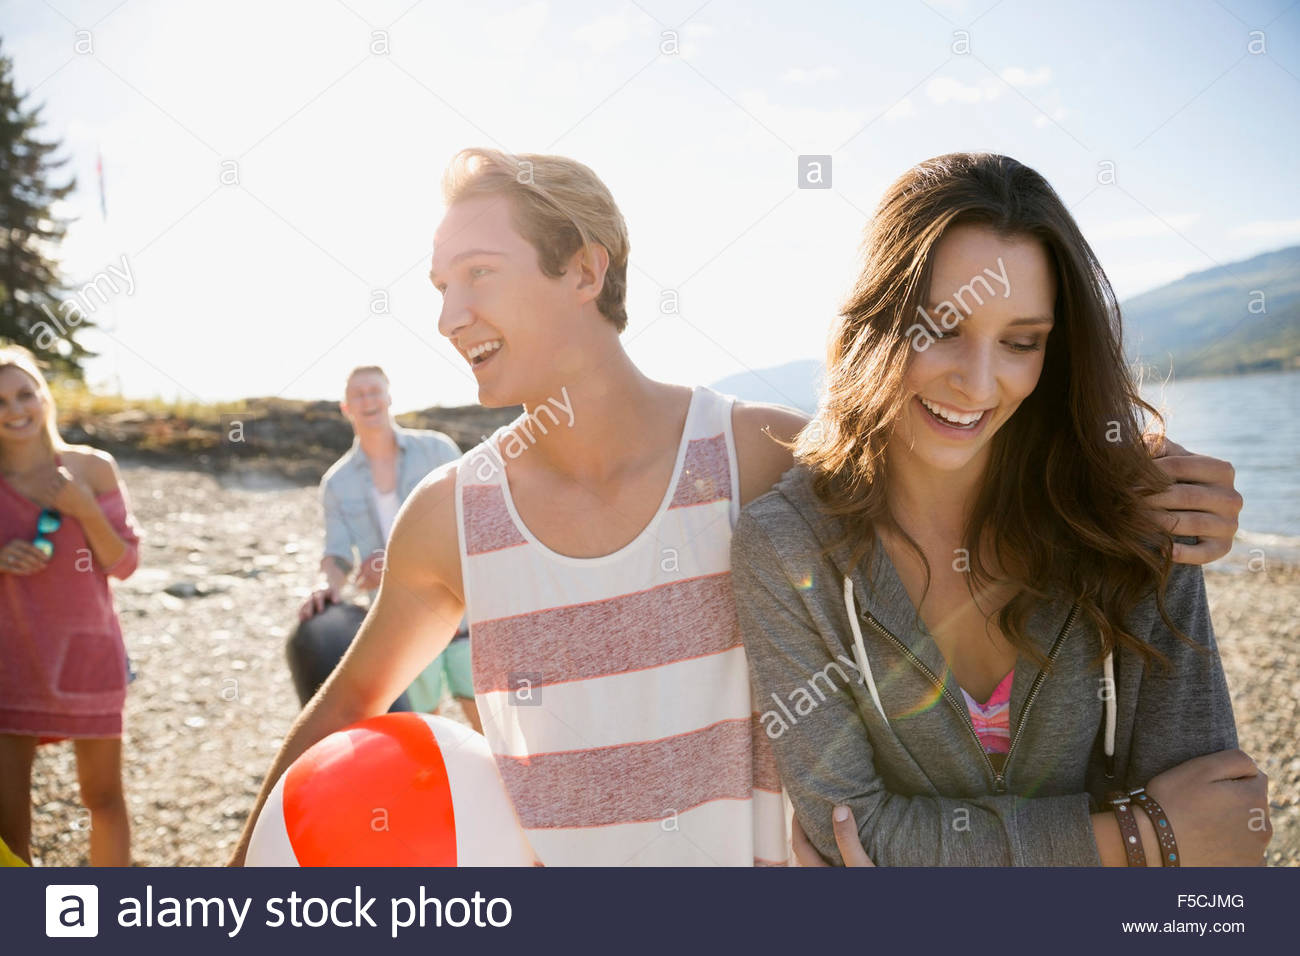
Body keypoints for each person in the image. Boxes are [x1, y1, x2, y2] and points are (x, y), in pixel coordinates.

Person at [229, 149, 1244, 867]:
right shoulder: (448, 515)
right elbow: (348, 703)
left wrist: (1137, 467)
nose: (449, 316)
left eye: (478, 275)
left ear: (585, 267)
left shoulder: (751, 452)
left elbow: (931, 450)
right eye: (439, 286)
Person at [731, 152, 1270, 867]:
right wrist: (1137, 837)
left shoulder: (1135, 514)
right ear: (877, 319)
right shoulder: (785, 547)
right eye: (942, 328)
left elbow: (1220, 829)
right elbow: (849, 831)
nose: (979, 381)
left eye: (1022, 342)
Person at [0, 345, 141, 866]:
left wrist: (84, 508)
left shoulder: (91, 467)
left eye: (24, 394)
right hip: (9, 661)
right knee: (8, 814)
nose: (15, 410)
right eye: (0, 401)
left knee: (102, 798)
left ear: (43, 397)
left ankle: (111, 924)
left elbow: (124, 563)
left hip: (87, 657)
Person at [290, 365, 478, 731]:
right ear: (346, 408)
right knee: (424, 729)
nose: (368, 400)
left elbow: (471, 521)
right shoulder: (337, 482)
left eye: (374, 391)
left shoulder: (437, 450)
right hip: (399, 623)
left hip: (463, 610)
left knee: (490, 726)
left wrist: (396, 564)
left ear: (390, 397)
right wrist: (326, 585)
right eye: (358, 395)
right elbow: (338, 554)